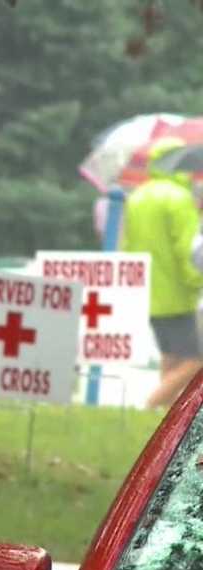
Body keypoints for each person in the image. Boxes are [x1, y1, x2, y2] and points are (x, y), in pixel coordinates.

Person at [122, 136, 203, 409]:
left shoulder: (137, 197)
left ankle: (160, 416)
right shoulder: (179, 199)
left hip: (146, 292)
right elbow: (187, 250)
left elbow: (128, 245)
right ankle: (149, 406)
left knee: (171, 356)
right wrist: (196, 282)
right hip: (176, 294)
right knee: (194, 360)